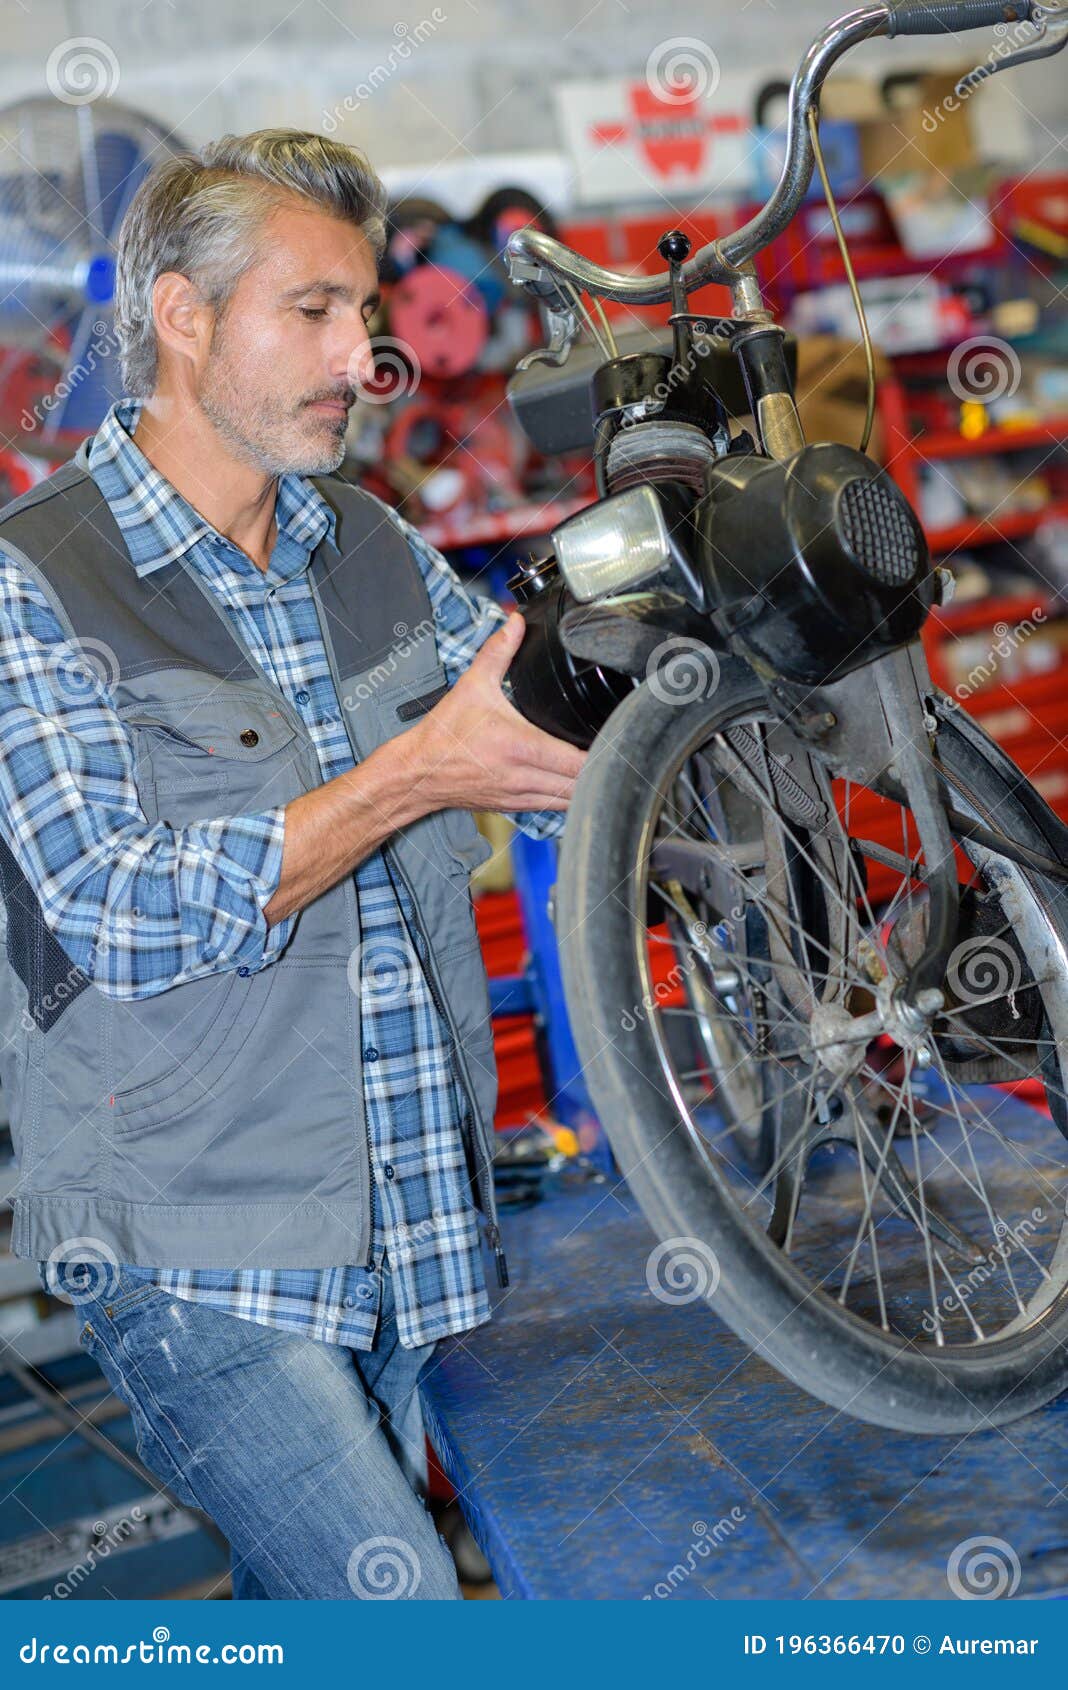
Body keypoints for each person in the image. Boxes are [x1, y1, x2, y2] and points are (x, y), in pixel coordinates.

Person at [0, 130, 584, 1599]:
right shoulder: (34, 578)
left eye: (369, 312)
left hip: (401, 1221)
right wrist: (415, 776)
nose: (361, 354)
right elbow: (112, 908)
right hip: (200, 1251)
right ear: (182, 321)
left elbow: (535, 731)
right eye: (312, 310)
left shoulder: (368, 543)